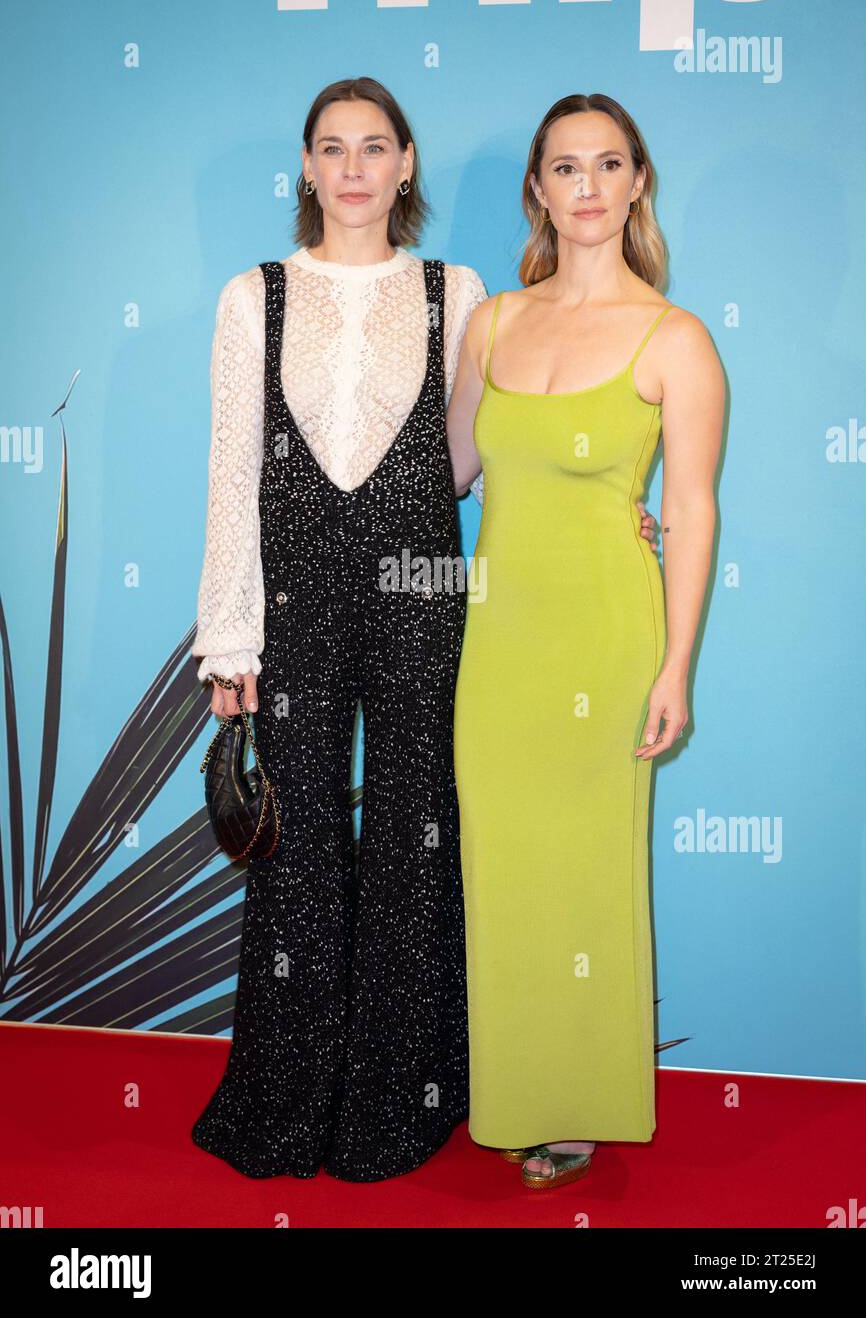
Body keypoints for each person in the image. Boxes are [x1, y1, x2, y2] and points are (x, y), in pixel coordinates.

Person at [189, 77, 490, 1182]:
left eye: (375, 146)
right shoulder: (250, 297)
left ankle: (393, 1109)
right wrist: (231, 638)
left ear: (406, 164)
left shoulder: (455, 291)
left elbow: (470, 459)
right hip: (293, 601)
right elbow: (231, 471)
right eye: (332, 147)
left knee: (419, 838)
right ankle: (287, 1105)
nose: (354, 167)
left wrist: (614, 514)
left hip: (419, 591)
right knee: (298, 857)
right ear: (307, 166)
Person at [446, 93, 724, 1189]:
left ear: (637, 181)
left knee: (589, 875)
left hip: (607, 638)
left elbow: (693, 510)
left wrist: (674, 666)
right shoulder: (494, 322)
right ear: (538, 189)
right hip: (498, 641)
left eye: (609, 164)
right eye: (565, 168)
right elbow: (449, 473)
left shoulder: (675, 337)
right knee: (505, 871)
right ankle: (511, 1091)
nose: (589, 187)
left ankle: (580, 1101)